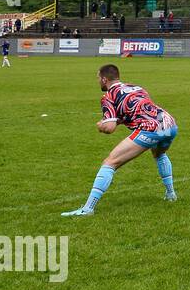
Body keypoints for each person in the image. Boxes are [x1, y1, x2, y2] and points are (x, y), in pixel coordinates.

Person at [63, 64, 178, 216]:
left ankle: (88, 209)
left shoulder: (109, 97)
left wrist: (101, 126)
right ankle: (171, 194)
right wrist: (117, 120)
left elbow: (109, 128)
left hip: (150, 129)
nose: (98, 81)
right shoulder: (136, 87)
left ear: (104, 79)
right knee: (159, 154)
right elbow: (134, 112)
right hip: (169, 123)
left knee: (110, 163)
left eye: (98, 78)